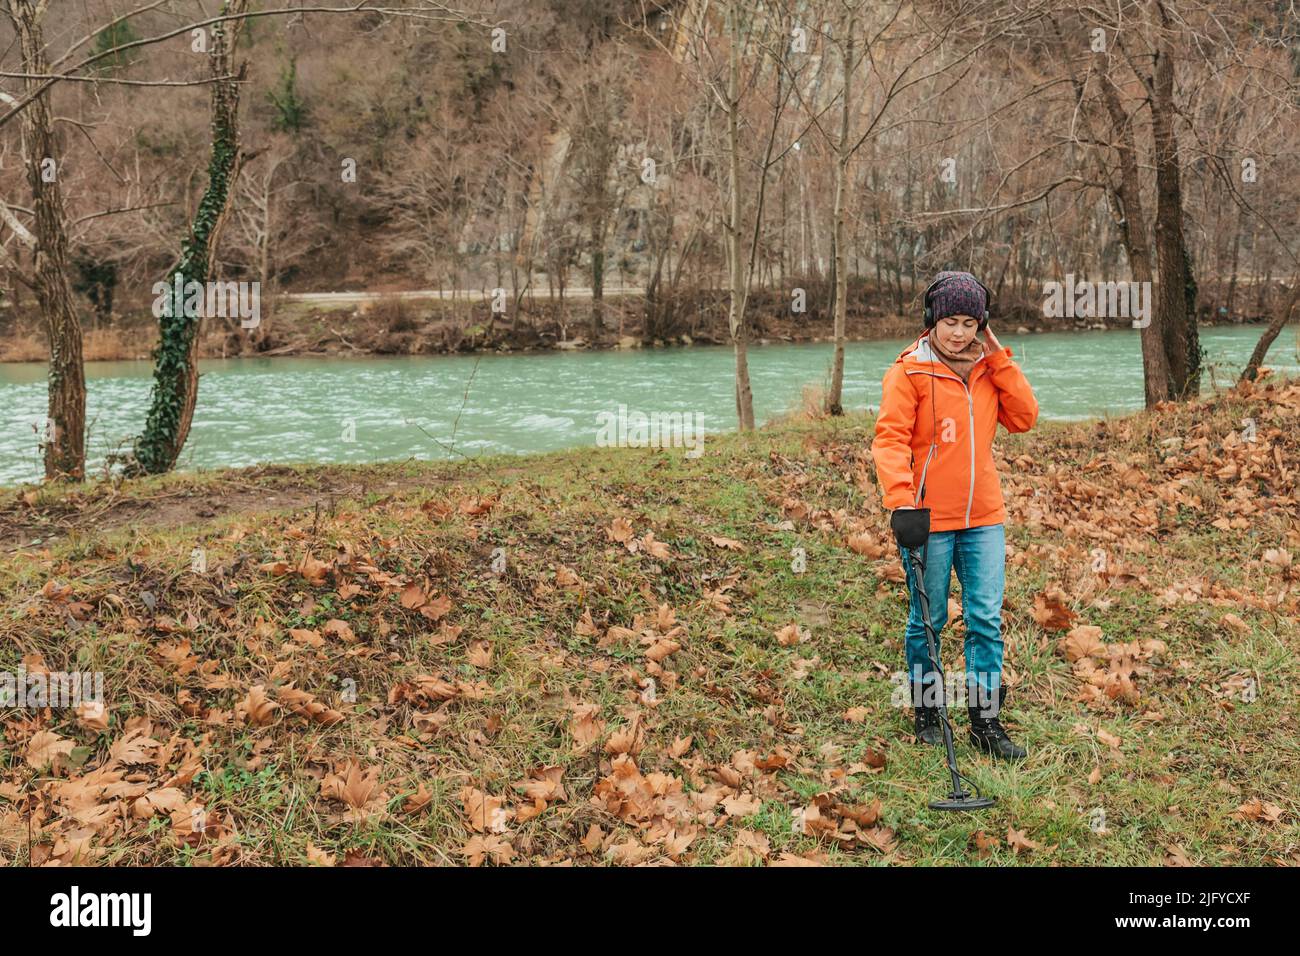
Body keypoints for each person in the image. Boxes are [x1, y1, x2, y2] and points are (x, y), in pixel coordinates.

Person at [870, 271, 1039, 760]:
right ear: (932, 321)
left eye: (970, 322)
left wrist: (1000, 359)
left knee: (985, 618)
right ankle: (928, 708)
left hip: (983, 516)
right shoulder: (909, 371)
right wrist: (902, 502)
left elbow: (1025, 418)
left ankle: (985, 721)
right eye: (950, 321)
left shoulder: (989, 368)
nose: (960, 333)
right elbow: (890, 440)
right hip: (927, 519)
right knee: (930, 619)